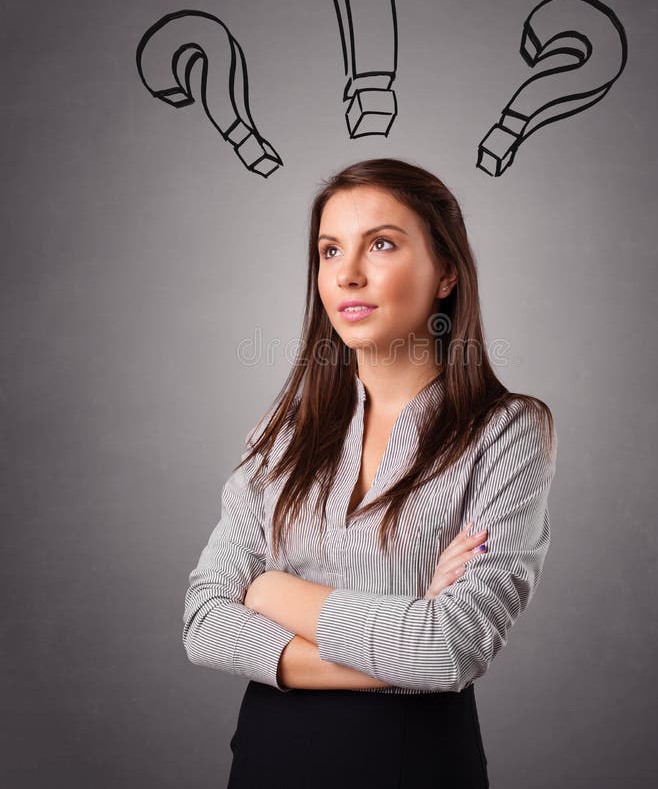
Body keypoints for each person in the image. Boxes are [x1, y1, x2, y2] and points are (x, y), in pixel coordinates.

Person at [182, 158, 557, 788]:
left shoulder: (506, 430)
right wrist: (408, 623)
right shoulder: (280, 435)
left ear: (446, 272)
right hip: (268, 762)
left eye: (381, 244)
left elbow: (450, 649)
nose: (348, 274)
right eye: (330, 251)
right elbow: (203, 622)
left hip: (413, 765)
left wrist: (273, 593)